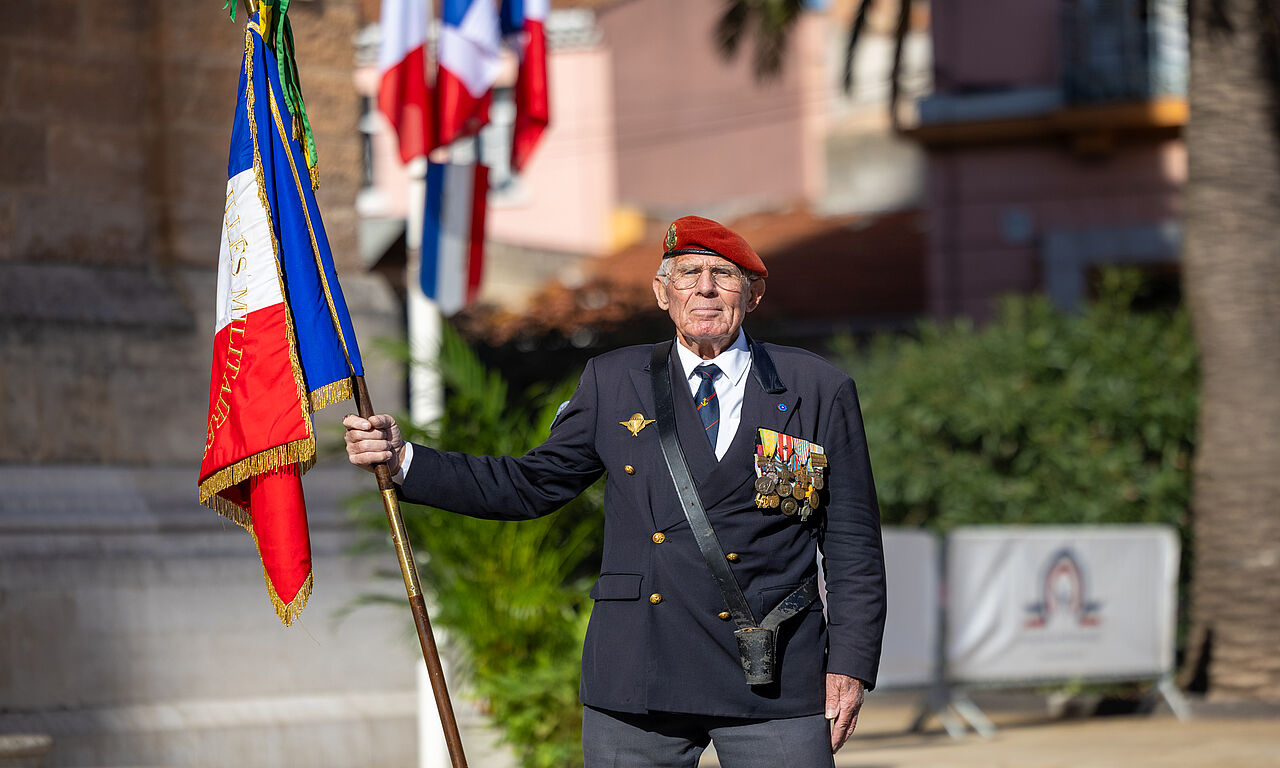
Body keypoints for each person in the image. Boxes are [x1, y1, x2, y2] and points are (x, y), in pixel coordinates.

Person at [344, 216, 886, 768]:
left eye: (723, 274)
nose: (704, 287)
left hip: (771, 671)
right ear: (661, 292)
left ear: (753, 294)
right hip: (639, 671)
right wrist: (405, 461)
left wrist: (850, 666)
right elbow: (529, 484)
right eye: (688, 273)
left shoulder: (816, 387)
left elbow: (852, 544)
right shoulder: (614, 380)